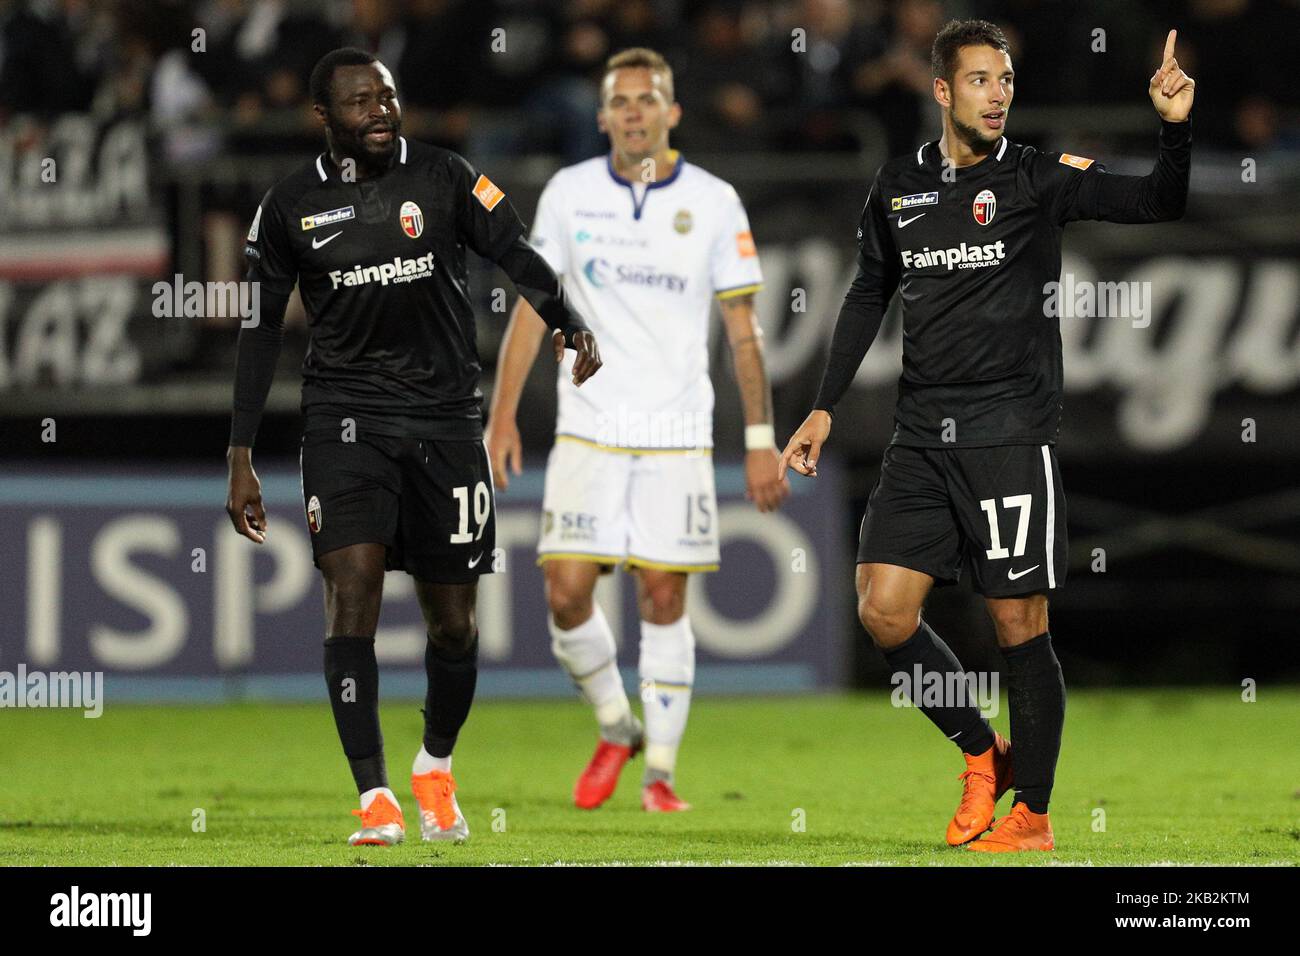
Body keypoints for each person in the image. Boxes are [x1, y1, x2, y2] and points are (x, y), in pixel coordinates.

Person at [780, 21, 1193, 851]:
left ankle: (1032, 817)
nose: (998, 93)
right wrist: (824, 404)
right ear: (942, 91)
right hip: (920, 436)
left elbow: (1158, 201)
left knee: (1018, 625)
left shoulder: (1040, 178)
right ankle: (982, 752)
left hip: (1009, 435)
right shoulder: (898, 186)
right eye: (979, 80)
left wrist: (1173, 129)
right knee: (884, 612)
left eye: (1005, 79)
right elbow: (868, 294)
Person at [225, 48, 600, 846]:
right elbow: (258, 331)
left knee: (455, 625)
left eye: (388, 96)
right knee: (350, 588)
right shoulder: (289, 206)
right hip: (344, 423)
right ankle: (375, 798)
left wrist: (566, 317)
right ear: (323, 117)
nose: (381, 111)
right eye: (361, 102)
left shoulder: (446, 176)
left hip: (445, 423)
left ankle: (434, 766)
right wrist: (240, 452)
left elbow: (517, 253)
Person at [487, 47, 789, 813]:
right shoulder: (569, 193)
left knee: (662, 598)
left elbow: (743, 330)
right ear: (602, 117)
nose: (633, 112)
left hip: (677, 432)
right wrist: (500, 416)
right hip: (588, 426)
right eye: (620, 101)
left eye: (647, 99)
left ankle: (659, 772)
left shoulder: (716, 201)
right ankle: (615, 725)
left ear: (672, 112)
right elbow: (532, 305)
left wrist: (760, 441)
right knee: (564, 594)